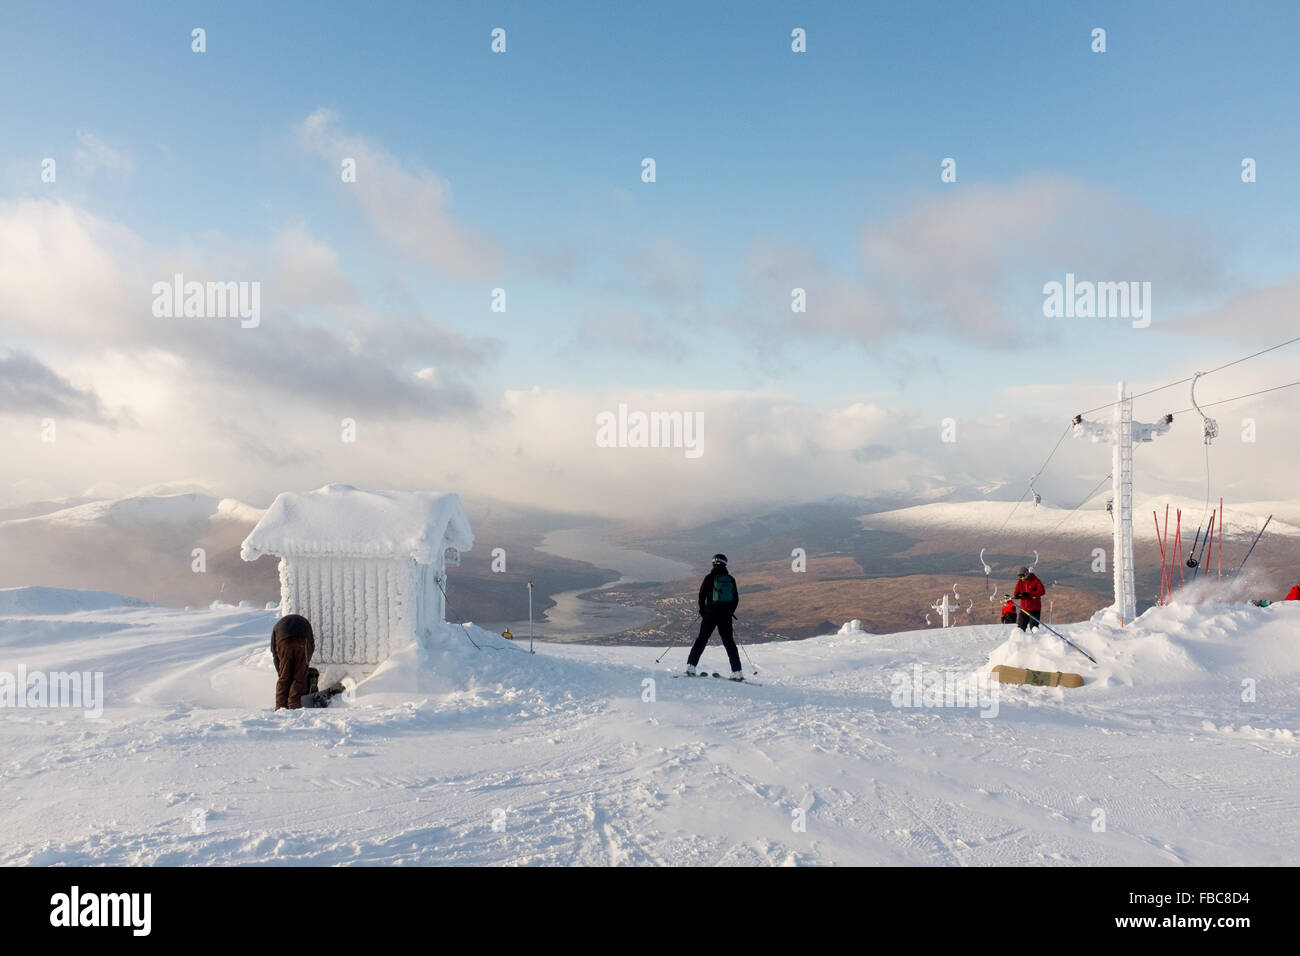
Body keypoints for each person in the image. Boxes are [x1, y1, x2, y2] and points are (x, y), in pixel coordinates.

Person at [687, 554, 743, 680]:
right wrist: (729, 611)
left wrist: (703, 611)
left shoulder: (709, 578)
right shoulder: (730, 579)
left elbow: (701, 596)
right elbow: (736, 599)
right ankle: (737, 672)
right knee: (729, 642)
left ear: (713, 563)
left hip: (710, 614)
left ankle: (691, 667)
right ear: (725, 564)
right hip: (725, 615)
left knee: (702, 639)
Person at [271, 613, 315, 710]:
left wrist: (280, 672)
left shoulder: (277, 626)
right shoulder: (305, 622)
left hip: (283, 641)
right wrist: (305, 664)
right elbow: (311, 645)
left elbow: (274, 653)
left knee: (284, 678)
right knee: (299, 677)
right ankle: (294, 706)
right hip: (302, 640)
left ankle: (280, 707)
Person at [1013, 566, 1046, 632]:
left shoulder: (1036, 581)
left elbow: (1042, 591)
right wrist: (1017, 596)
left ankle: (1036, 640)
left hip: (1034, 609)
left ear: (1026, 574)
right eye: (1019, 576)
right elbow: (1016, 592)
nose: (1021, 578)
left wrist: (1030, 594)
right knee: (1020, 628)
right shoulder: (1020, 582)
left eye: (1022, 576)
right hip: (1024, 609)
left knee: (1034, 628)